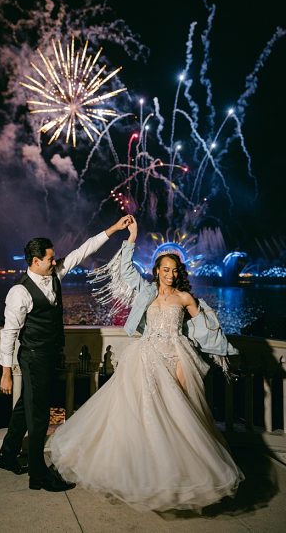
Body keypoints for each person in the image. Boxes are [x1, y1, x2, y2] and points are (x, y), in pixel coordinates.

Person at [48, 217, 243, 511]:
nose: (169, 275)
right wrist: (132, 236)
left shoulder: (186, 297)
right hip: (147, 355)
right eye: (165, 270)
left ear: (178, 273)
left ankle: (178, 475)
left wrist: (225, 351)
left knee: (179, 414)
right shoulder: (146, 291)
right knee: (142, 414)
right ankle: (143, 471)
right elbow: (125, 270)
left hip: (177, 356)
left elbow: (205, 329)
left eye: (174, 271)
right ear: (157, 271)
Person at [0, 215, 134, 491]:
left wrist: (113, 229)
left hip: (48, 355)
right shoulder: (19, 293)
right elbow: (8, 334)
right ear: (35, 262)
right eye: (49, 259)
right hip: (33, 357)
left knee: (26, 407)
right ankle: (38, 475)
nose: (54, 261)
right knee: (39, 415)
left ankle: (7, 454)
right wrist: (6, 372)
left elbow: (84, 250)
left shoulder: (55, 274)